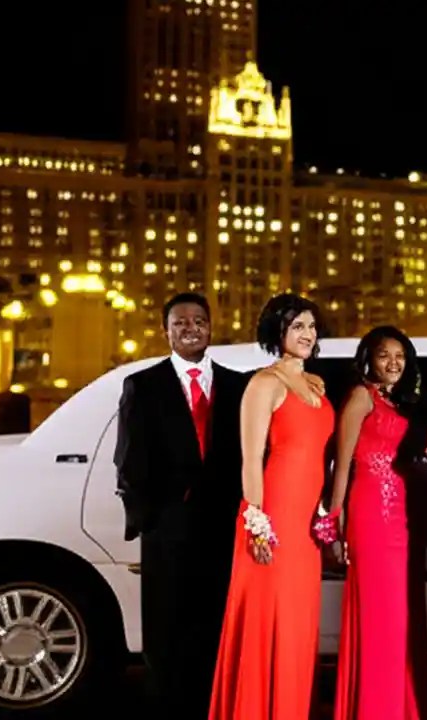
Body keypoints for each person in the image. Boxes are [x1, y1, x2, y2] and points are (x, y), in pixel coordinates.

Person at [114, 292, 246, 718]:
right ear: (165, 330)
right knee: (167, 629)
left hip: (225, 525)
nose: (191, 328)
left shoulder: (237, 383)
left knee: (216, 624)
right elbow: (128, 458)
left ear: (211, 326)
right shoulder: (143, 385)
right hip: (167, 528)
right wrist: (148, 516)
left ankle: (215, 704)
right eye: (181, 322)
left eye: (199, 321)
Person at [209, 293, 335, 720]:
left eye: (311, 326)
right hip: (274, 517)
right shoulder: (264, 383)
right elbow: (250, 458)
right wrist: (257, 524)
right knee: (270, 621)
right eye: (297, 326)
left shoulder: (316, 384)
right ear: (277, 332)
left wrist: (324, 515)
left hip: (306, 527)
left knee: (299, 627)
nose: (306, 334)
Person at [329, 326, 427, 720]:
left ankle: (400, 707)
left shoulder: (397, 403)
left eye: (400, 355)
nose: (393, 362)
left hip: (403, 518)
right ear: (368, 358)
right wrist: (334, 521)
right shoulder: (360, 397)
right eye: (384, 354)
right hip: (370, 516)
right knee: (377, 620)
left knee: (401, 620)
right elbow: (342, 464)